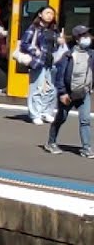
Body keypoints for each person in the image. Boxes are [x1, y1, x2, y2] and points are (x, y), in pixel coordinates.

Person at [46, 25, 92, 157]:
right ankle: (51, 142)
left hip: (84, 92)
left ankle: (86, 148)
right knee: (61, 118)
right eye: (84, 36)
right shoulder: (68, 55)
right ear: (77, 39)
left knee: (85, 120)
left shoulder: (91, 54)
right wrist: (62, 93)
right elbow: (60, 76)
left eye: (88, 35)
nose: (87, 38)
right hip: (68, 93)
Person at [18, 6, 62, 125]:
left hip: (52, 62)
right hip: (38, 62)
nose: (50, 15)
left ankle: (47, 112)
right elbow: (24, 44)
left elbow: (56, 47)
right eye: (47, 13)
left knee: (52, 90)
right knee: (36, 89)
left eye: (52, 14)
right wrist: (34, 51)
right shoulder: (34, 28)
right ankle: (35, 114)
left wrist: (60, 43)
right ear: (40, 14)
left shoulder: (54, 30)